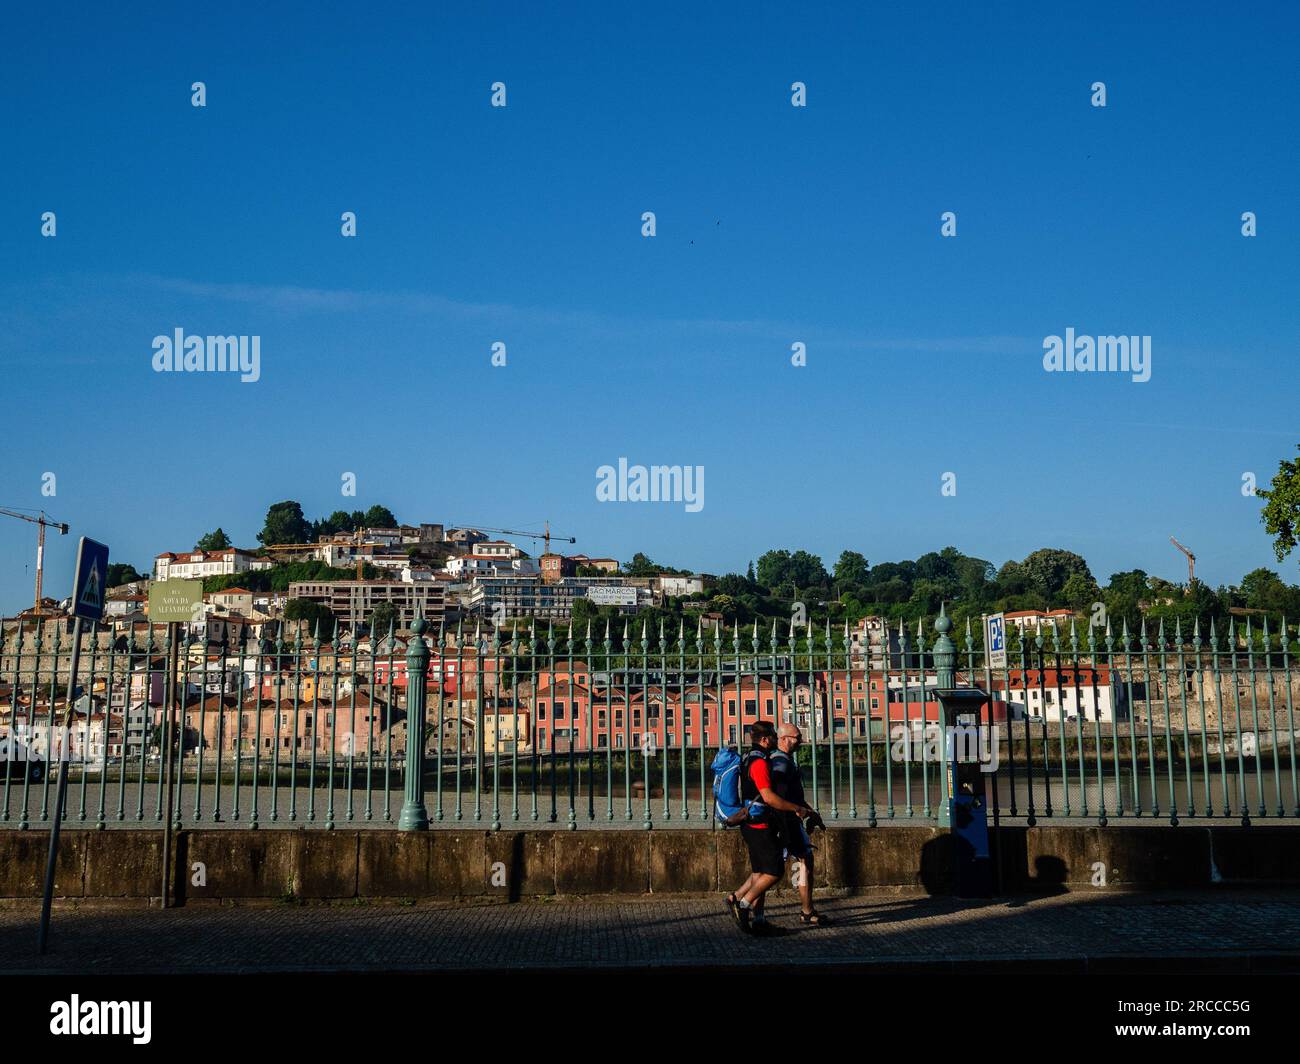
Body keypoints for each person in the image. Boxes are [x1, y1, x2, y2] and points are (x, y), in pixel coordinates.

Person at [727, 720, 814, 934]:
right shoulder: (761, 762)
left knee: (759, 872)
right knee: (774, 871)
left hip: (751, 821)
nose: (775, 740)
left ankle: (754, 917)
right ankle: (743, 904)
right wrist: (796, 808)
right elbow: (770, 797)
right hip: (760, 824)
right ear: (766, 740)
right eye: (774, 737)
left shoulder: (749, 757)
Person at [770, 723, 829, 926]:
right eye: (797, 737)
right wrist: (798, 811)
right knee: (802, 861)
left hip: (788, 819)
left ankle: (749, 906)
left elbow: (792, 795)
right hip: (787, 821)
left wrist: (810, 812)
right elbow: (779, 796)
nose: (801, 741)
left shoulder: (784, 760)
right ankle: (806, 910)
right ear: (784, 738)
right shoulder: (781, 763)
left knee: (766, 869)